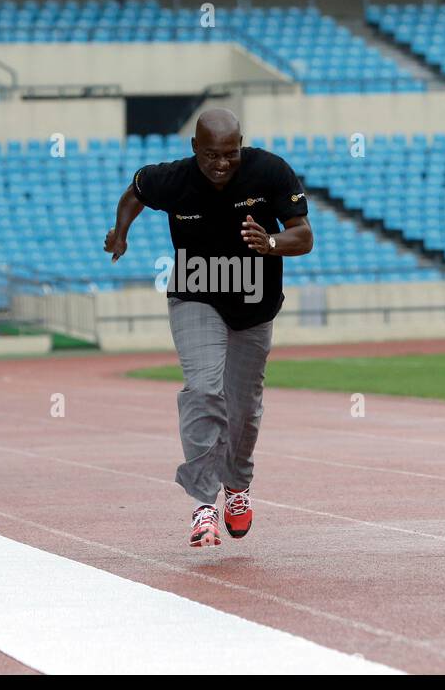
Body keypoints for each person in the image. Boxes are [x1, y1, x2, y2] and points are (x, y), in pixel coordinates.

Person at [104, 109, 314, 547]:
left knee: (244, 406)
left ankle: (236, 486)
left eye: (231, 154)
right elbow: (133, 194)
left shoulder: (270, 171)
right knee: (202, 389)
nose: (222, 164)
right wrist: (121, 232)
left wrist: (270, 243)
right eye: (212, 155)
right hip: (195, 292)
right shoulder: (170, 179)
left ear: (242, 146)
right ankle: (203, 502)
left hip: (254, 301)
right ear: (195, 149)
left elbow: (304, 235)